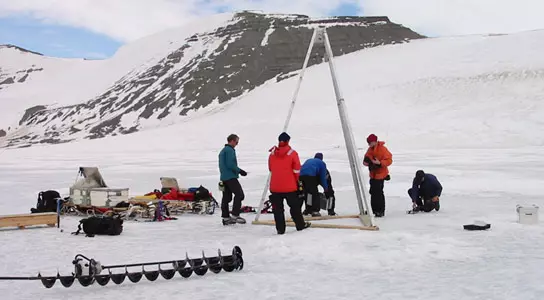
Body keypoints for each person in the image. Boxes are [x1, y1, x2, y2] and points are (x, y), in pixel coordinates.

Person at [268, 132, 310, 234]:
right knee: (295, 207)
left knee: (278, 210)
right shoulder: (292, 153)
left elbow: (270, 168)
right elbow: (297, 170)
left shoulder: (272, 154)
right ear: (288, 141)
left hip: (275, 186)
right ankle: (300, 225)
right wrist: (298, 182)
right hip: (289, 186)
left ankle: (280, 229)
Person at [218, 134, 247, 225]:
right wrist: (240, 171)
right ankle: (235, 215)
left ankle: (226, 217)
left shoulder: (222, 151)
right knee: (239, 194)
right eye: (236, 142)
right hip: (230, 177)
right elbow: (230, 164)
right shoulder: (229, 150)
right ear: (232, 141)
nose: (237, 144)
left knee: (226, 197)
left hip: (223, 178)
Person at [362, 134, 393, 217]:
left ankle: (380, 211)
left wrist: (380, 163)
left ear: (375, 141)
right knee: (372, 192)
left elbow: (389, 160)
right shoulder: (370, 150)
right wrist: (366, 162)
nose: (369, 144)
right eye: (368, 143)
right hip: (373, 174)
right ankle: (373, 210)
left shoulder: (383, 149)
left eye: (370, 143)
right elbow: (366, 159)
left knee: (378, 193)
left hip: (381, 174)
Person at [300, 152, 329, 217]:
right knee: (314, 194)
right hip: (310, 176)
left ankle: (308, 209)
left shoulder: (309, 160)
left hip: (300, 177)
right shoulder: (322, 163)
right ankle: (315, 211)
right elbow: (322, 177)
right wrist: (325, 188)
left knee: (308, 194)